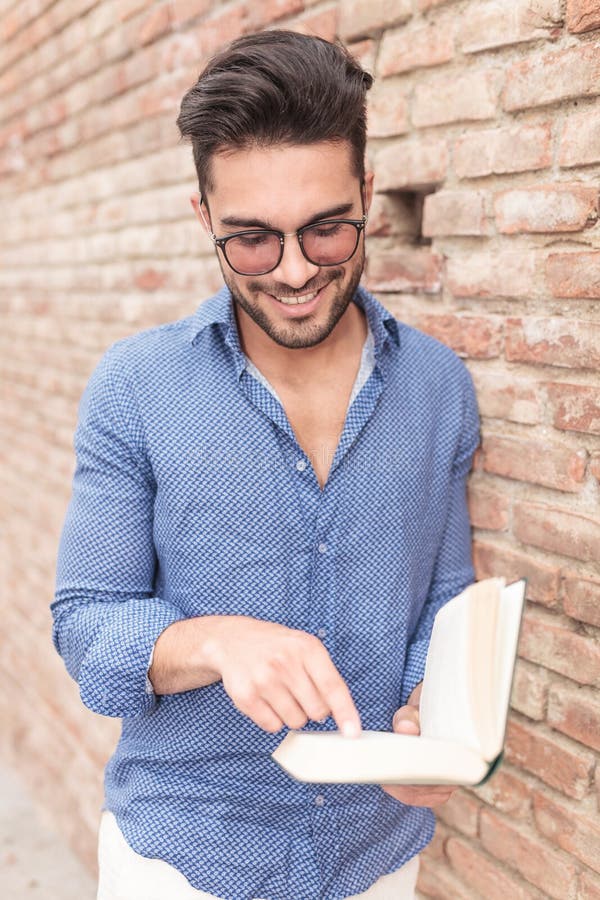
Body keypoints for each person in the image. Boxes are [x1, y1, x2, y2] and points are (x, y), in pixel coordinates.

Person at [51, 29, 480, 900]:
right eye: (251, 239)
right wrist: (211, 639)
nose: (292, 273)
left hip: (378, 856)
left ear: (366, 193)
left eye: (327, 230)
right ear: (204, 214)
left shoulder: (440, 387)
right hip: (181, 861)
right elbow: (87, 627)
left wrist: (429, 710)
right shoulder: (134, 387)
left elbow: (443, 600)